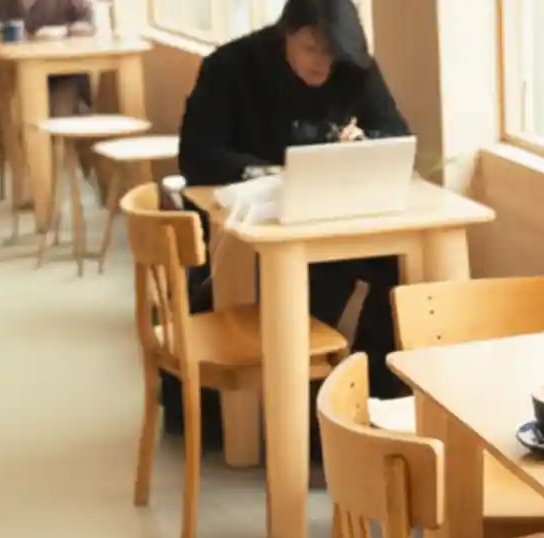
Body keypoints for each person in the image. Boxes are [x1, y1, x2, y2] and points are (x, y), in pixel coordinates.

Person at [171, 0, 410, 447]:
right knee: (300, 284)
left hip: (332, 221)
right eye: (310, 48)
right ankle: (292, 423)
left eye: (332, 54)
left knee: (400, 278)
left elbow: (397, 134)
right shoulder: (230, 66)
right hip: (248, 231)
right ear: (286, 32)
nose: (322, 64)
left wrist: (364, 144)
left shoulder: (352, 67)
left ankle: (363, 411)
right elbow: (197, 157)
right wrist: (276, 172)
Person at [0, 0, 96, 115]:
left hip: (60, 73)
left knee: (62, 98)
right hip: (6, 75)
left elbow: (88, 26)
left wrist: (65, 30)